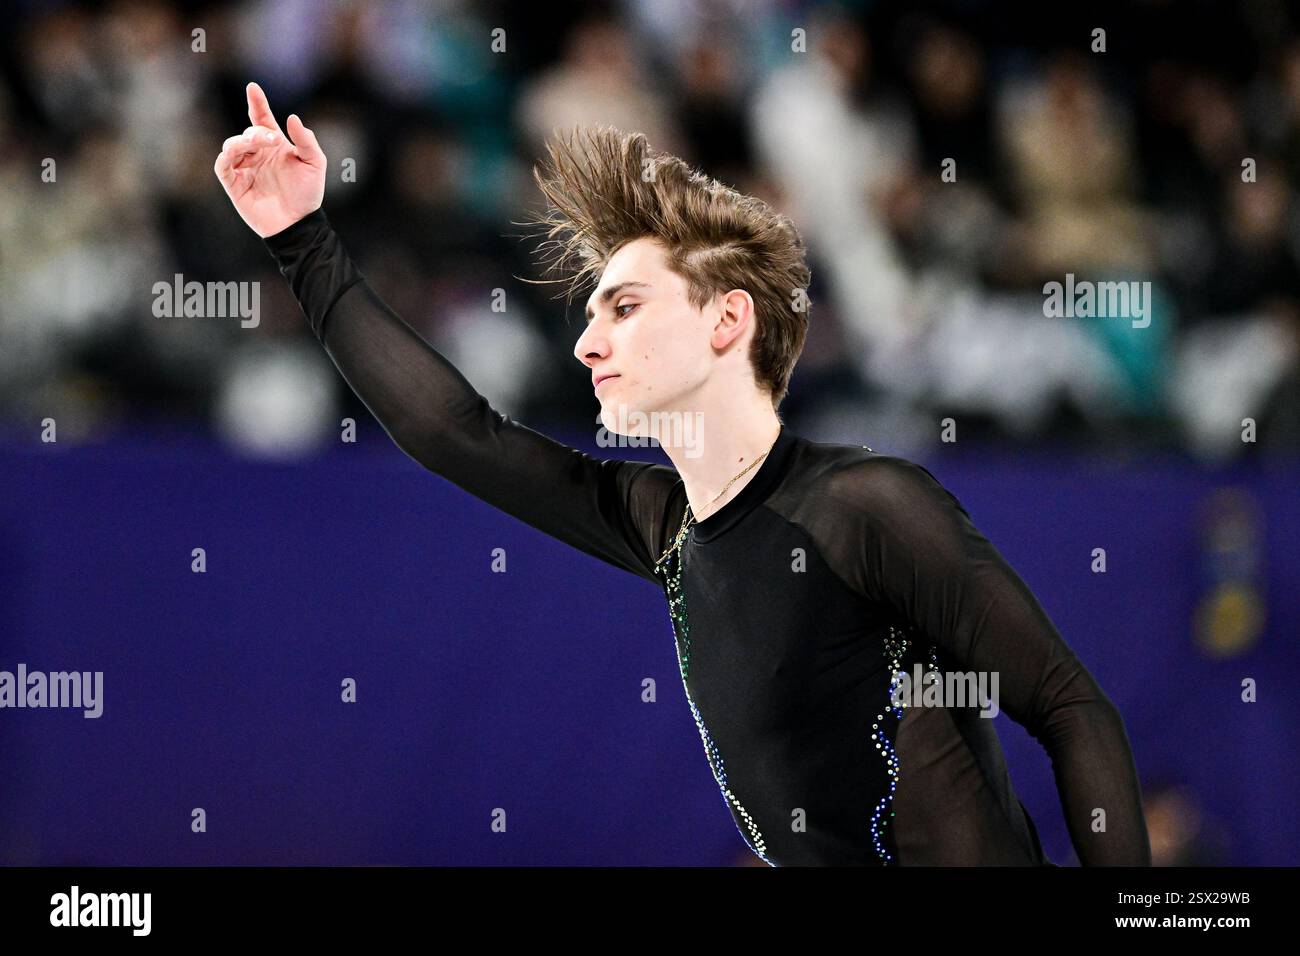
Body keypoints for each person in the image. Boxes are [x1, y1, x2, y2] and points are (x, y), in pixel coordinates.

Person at [214, 81, 1151, 866]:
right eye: (589, 316)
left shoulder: (865, 506)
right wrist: (302, 242)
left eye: (623, 307)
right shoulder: (667, 533)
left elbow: (1069, 705)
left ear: (726, 322)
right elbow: (461, 434)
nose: (586, 343)